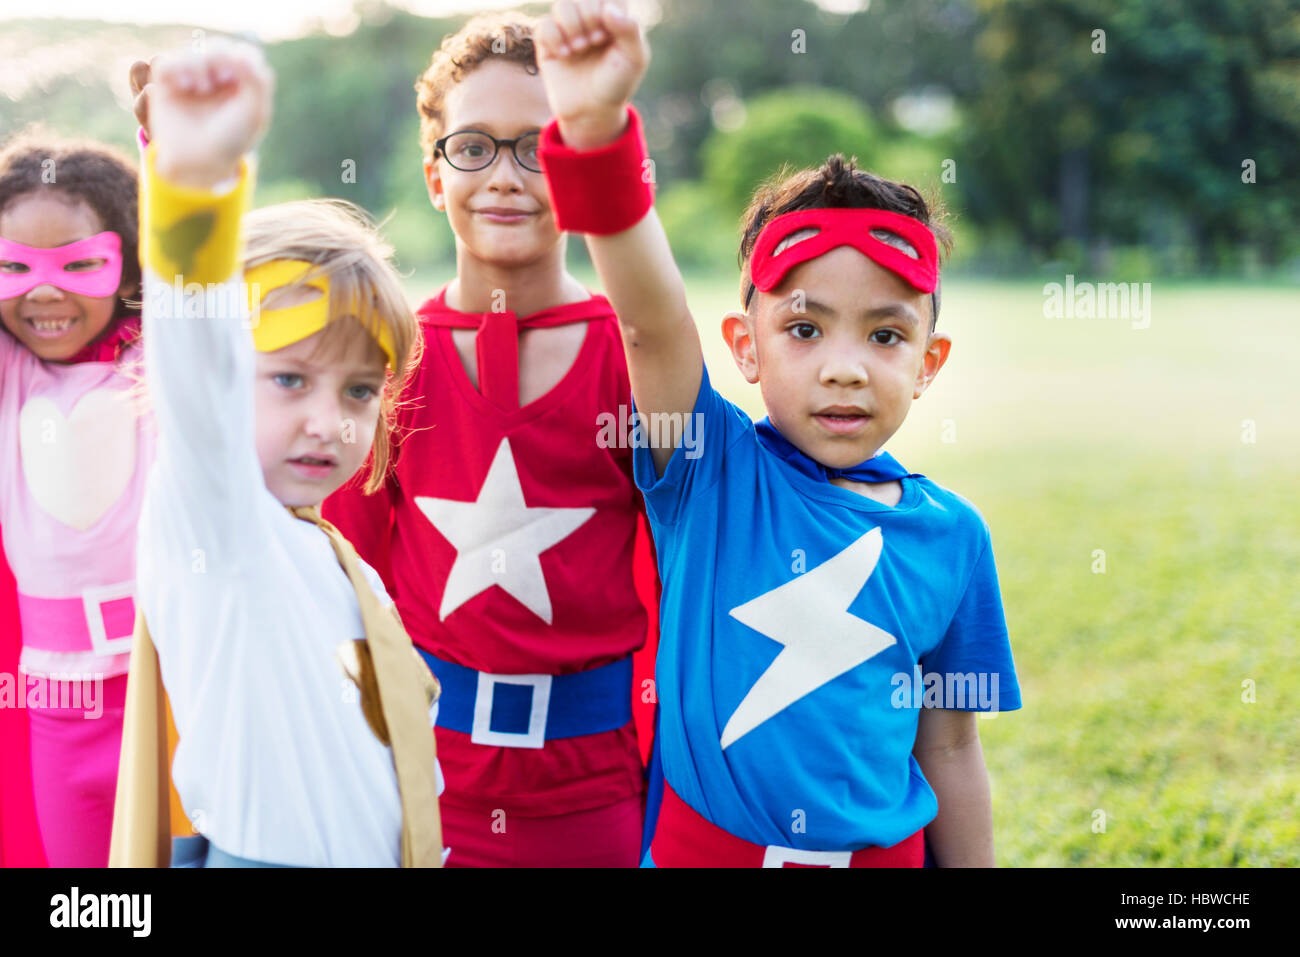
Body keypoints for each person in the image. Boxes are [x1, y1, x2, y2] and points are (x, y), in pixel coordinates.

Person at [533, 0, 1022, 867]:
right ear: (744, 346)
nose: (845, 368)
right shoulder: (707, 472)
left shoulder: (953, 535)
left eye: (885, 334)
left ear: (929, 361)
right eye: (804, 328)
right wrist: (597, 130)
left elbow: (949, 747)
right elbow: (649, 321)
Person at [321, 10, 658, 867]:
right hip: (423, 779)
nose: (506, 177)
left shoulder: (630, 357)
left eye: (538, 147)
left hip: (598, 789)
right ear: (436, 176)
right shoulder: (382, 360)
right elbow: (342, 584)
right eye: (474, 147)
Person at [112, 41, 443, 867]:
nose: (329, 422)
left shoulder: (334, 556)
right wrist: (194, 184)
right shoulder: (220, 524)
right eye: (289, 379)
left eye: (359, 391)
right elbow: (198, 355)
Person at [0, 127, 145, 867]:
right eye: (15, 266)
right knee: (88, 908)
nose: (46, 290)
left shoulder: (160, 361)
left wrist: (166, 150)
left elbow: (199, 276)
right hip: (55, 711)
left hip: (169, 689)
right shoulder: (11, 376)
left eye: (80, 262)